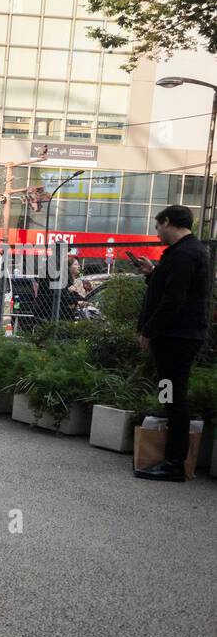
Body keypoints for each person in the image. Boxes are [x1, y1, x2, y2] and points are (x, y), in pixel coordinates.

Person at [133, 205, 214, 481]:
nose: (157, 234)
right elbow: (173, 290)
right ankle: (170, 458)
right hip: (177, 337)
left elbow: (173, 301)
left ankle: (174, 463)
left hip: (175, 339)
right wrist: (152, 273)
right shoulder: (188, 253)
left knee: (173, 398)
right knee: (169, 395)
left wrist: (149, 331)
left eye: (158, 227)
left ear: (167, 222)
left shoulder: (184, 255)